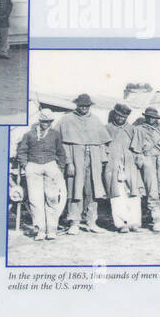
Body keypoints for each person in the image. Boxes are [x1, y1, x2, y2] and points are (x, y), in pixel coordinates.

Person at [56, 94, 110, 234]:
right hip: (75, 158)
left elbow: (102, 142)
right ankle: (74, 222)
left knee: (92, 190)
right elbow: (62, 144)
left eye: (86, 106)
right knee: (75, 190)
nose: (84, 108)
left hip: (93, 159)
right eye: (81, 106)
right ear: (77, 105)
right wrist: (69, 163)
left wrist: (102, 161)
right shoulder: (67, 120)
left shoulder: (95, 120)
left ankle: (91, 221)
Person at [15, 110, 67, 240]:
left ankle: (52, 230)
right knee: (35, 199)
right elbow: (22, 151)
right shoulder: (29, 135)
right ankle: (40, 230)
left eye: (48, 122)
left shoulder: (55, 135)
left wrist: (59, 167)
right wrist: (26, 166)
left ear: (51, 122)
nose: (46, 124)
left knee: (52, 198)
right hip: (33, 167)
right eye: (44, 121)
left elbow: (61, 152)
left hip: (51, 166)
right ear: (39, 121)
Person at [130, 107, 160, 231]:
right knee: (152, 190)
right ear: (145, 117)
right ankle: (156, 220)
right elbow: (136, 149)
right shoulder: (139, 130)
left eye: (153, 117)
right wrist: (141, 160)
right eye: (148, 117)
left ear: (157, 118)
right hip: (148, 158)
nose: (151, 119)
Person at [103, 103, 142, 232]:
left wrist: (137, 160)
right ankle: (121, 224)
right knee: (117, 194)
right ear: (114, 115)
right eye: (118, 116)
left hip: (130, 166)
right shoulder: (107, 128)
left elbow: (137, 148)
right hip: (113, 166)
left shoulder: (132, 129)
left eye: (123, 117)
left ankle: (134, 222)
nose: (120, 119)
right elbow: (102, 147)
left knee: (133, 193)